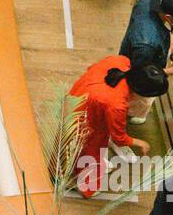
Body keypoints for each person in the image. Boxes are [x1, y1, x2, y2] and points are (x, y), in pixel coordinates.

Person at [68, 55, 162, 198]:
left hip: (77, 97)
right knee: (90, 150)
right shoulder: (117, 105)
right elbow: (119, 137)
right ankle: (85, 185)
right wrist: (139, 142)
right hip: (88, 119)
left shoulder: (119, 61)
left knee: (71, 144)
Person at [119, 0, 173, 125]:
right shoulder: (146, 45)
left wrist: (171, 41)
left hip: (135, 49)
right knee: (138, 99)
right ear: (168, 17)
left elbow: (158, 26)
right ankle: (130, 115)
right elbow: (140, 75)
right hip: (136, 70)